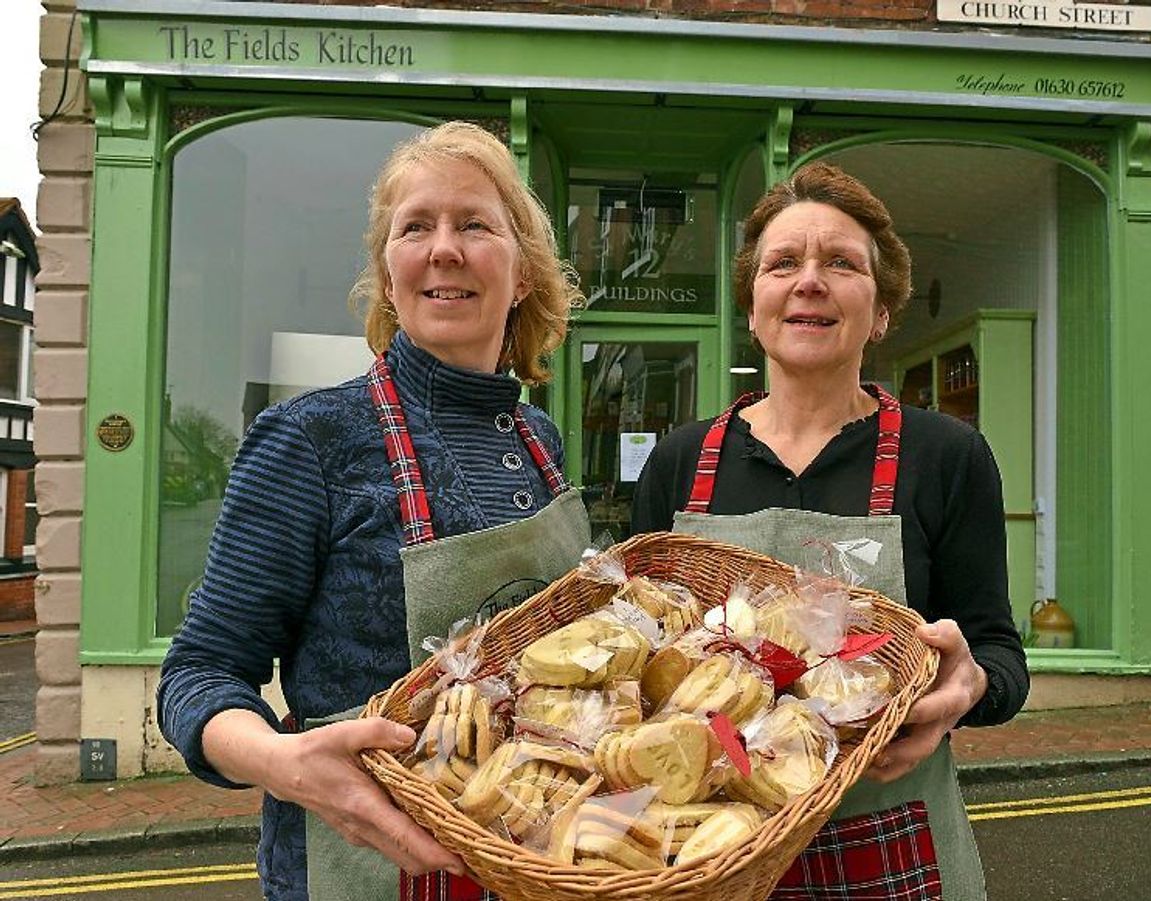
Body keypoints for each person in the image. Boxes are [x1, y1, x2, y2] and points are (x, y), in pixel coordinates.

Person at [158, 121, 589, 901]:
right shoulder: (310, 439)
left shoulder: (540, 439)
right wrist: (283, 762)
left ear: (522, 273)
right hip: (364, 868)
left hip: (536, 863)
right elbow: (200, 673)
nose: (443, 248)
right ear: (389, 275)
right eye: (415, 226)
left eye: (474, 225)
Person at [631, 161, 1029, 899]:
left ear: (879, 311)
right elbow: (643, 668)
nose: (809, 281)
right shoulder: (680, 462)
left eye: (841, 263)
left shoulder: (946, 456)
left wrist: (971, 683)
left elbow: (999, 654)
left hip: (888, 839)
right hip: (709, 848)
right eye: (784, 263)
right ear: (753, 306)